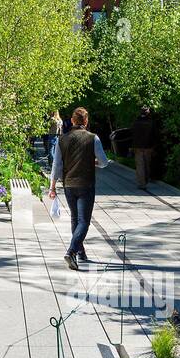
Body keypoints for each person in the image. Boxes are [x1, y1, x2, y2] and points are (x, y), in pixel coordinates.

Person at [46, 107, 110, 271]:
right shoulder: (93, 138)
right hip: (86, 184)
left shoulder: (62, 139)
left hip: (68, 185)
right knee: (84, 222)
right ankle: (72, 251)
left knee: (75, 219)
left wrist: (52, 187)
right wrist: (93, 162)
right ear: (86, 121)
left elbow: (57, 165)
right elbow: (104, 162)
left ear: (73, 121)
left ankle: (80, 252)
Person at [130, 106, 157, 189]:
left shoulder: (136, 122)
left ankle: (142, 183)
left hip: (137, 146)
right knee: (147, 164)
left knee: (140, 165)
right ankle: (146, 179)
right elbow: (154, 135)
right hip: (148, 147)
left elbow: (132, 134)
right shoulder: (151, 122)